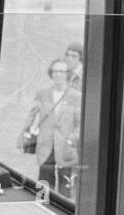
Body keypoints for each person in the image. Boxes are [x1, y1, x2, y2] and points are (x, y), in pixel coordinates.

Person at [20, 59, 82, 192]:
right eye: (55, 71)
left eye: (62, 71)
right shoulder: (42, 94)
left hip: (66, 147)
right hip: (46, 145)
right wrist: (25, 131)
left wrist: (71, 139)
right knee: (44, 184)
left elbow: (79, 124)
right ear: (51, 74)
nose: (58, 75)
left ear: (67, 74)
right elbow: (32, 114)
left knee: (65, 185)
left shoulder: (76, 96)